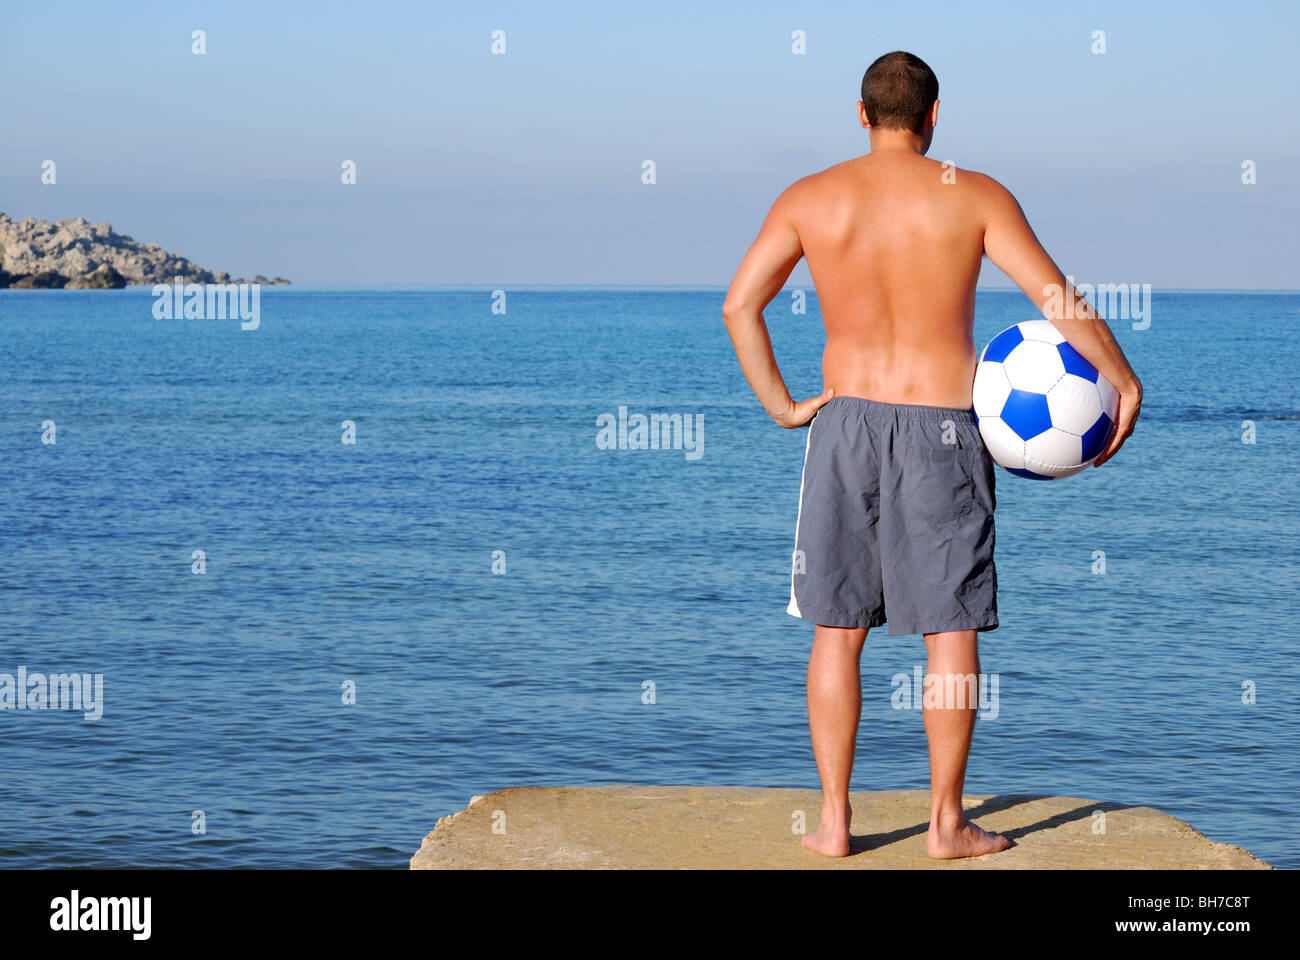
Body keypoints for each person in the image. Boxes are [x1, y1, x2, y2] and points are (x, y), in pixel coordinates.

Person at [721, 51, 1142, 859]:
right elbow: (1054, 299)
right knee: (948, 633)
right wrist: (1120, 377)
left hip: (842, 423)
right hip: (945, 427)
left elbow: (742, 305)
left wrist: (779, 404)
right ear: (935, 114)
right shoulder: (975, 195)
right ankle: (946, 826)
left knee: (836, 630)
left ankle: (836, 825)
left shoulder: (811, 198)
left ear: (860, 113)